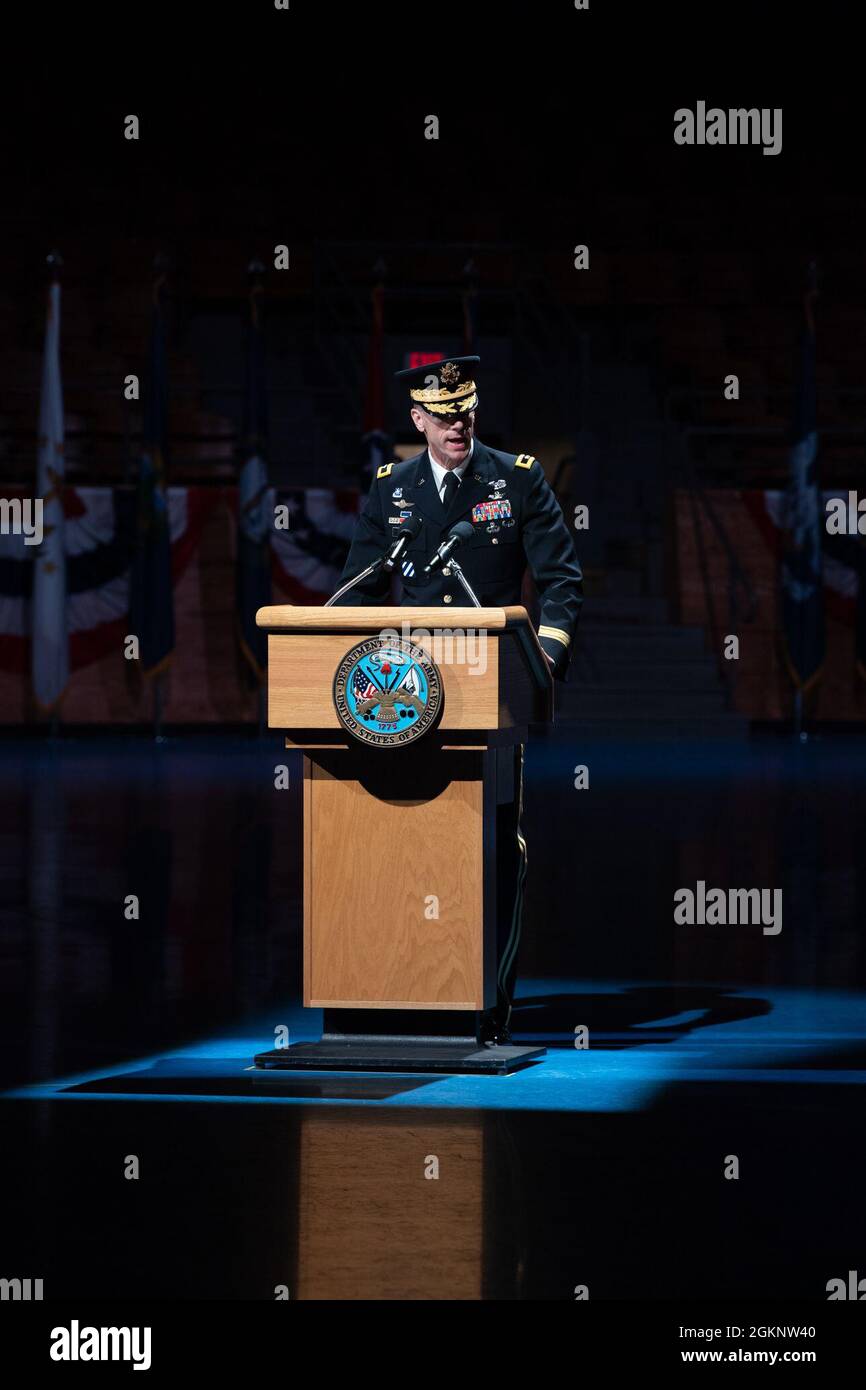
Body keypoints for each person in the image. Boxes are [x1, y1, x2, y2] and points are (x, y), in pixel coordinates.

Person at [333, 355, 583, 1043]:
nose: (457, 424)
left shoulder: (517, 478)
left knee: (494, 847)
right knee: (403, 839)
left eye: (466, 411)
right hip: (405, 698)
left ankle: (487, 1001)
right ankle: (396, 989)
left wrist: (543, 660)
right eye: (443, 415)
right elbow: (359, 588)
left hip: (489, 694)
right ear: (417, 421)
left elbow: (561, 581)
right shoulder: (392, 489)